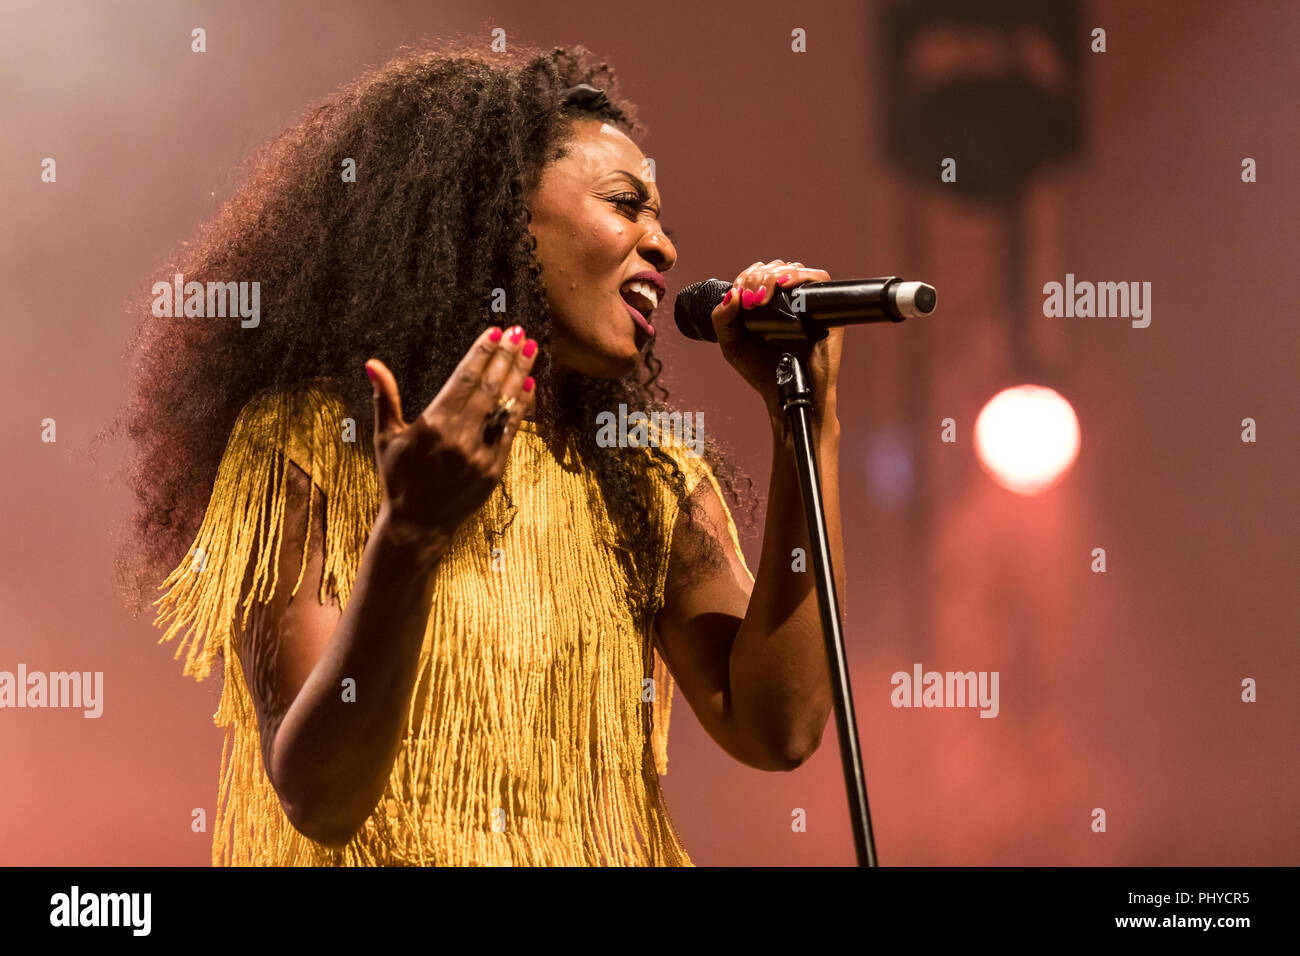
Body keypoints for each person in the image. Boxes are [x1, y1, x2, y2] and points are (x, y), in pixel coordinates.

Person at [115, 40, 845, 866]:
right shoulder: (310, 441)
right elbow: (319, 794)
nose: (664, 246)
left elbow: (779, 726)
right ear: (495, 211)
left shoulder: (649, 478)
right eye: (625, 205)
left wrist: (808, 427)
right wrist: (408, 537)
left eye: (662, 221)